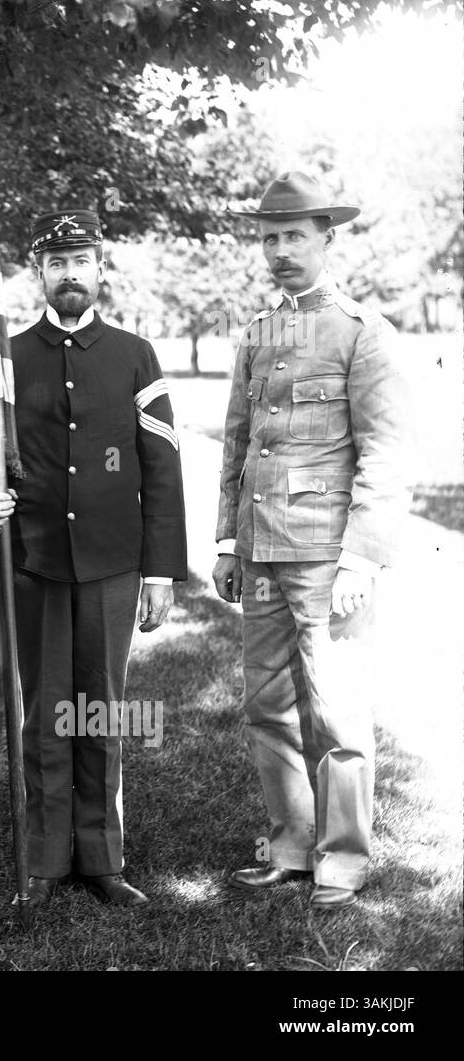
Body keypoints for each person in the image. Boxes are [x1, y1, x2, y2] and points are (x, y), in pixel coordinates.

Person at [214, 172, 410, 911]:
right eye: (269, 237)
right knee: (267, 705)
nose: (280, 250)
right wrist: (230, 543)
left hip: (329, 557)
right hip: (262, 547)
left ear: (327, 240)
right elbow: (238, 443)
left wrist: (361, 555)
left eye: (295, 236)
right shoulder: (260, 334)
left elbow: (384, 455)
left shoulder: (363, 333)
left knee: (336, 709)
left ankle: (346, 856)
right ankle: (291, 845)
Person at [0, 208, 187, 911]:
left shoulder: (135, 354)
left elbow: (161, 467)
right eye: (56, 261)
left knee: (99, 710)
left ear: (101, 270)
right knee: (45, 711)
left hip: (111, 561)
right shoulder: (7, 357)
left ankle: (102, 856)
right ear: (37, 273)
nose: (69, 273)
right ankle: (44, 857)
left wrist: (160, 570)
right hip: (35, 558)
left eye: (82, 260)